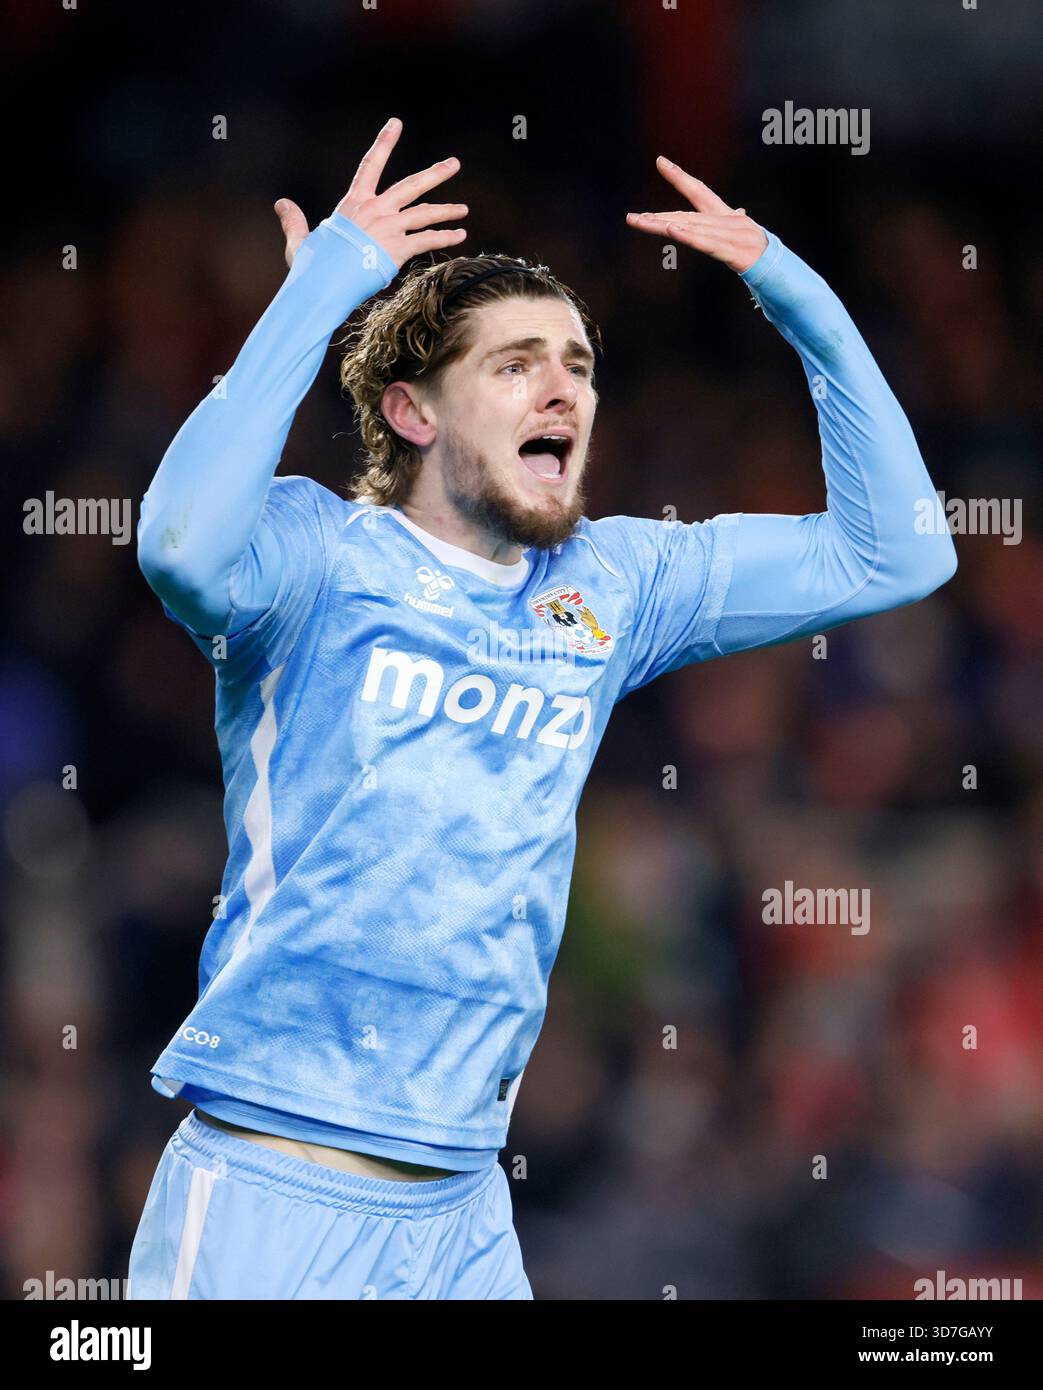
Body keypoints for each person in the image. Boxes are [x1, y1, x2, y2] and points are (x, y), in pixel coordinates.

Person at [127, 116, 957, 1299]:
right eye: (513, 363)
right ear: (413, 412)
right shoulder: (316, 554)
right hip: (272, 1188)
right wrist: (321, 297)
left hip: (464, 1211)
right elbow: (177, 544)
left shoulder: (609, 583)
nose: (561, 385)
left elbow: (900, 556)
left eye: (576, 363)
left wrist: (797, 298)